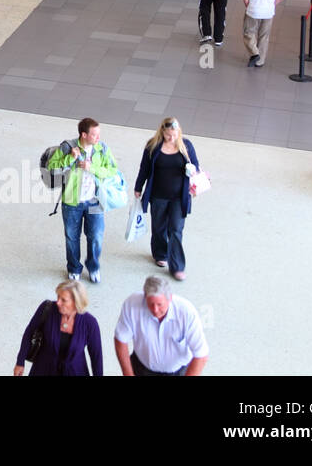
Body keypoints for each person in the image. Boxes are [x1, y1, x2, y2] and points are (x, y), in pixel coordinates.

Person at [46, 118, 117, 283]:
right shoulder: (68, 147)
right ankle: (74, 268)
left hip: (95, 200)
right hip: (72, 202)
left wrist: (92, 168)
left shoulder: (102, 149)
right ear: (84, 135)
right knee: (72, 236)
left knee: (96, 235)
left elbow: (112, 170)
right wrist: (70, 159)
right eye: (94, 134)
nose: (98, 138)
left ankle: (93, 267)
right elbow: (51, 167)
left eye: (99, 134)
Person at [133, 117, 201, 281]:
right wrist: (138, 187)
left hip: (179, 196)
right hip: (158, 195)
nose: (171, 138)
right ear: (162, 132)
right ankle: (160, 253)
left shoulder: (186, 145)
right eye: (168, 135)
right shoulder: (153, 146)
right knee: (159, 227)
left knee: (176, 229)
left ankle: (177, 266)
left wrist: (193, 171)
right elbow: (145, 168)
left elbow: (197, 166)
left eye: (174, 135)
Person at [113, 275, 209, 376]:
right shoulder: (131, 305)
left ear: (170, 298)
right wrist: (128, 373)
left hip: (178, 372)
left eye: (160, 305)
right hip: (142, 369)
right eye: (151, 304)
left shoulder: (187, 313)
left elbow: (201, 355)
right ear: (145, 297)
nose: (155, 310)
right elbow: (121, 340)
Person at [13, 279, 103, 376]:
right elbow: (29, 333)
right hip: (43, 370)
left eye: (63, 300)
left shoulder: (90, 323)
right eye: (58, 297)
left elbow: (96, 356)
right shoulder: (46, 309)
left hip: (75, 371)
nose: (58, 303)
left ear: (76, 302)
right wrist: (20, 362)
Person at [242, 0, 285, 68]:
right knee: (264, 36)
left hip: (253, 11)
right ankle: (259, 61)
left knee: (248, 33)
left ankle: (254, 53)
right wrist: (272, 5)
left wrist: (248, 5)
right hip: (268, 12)